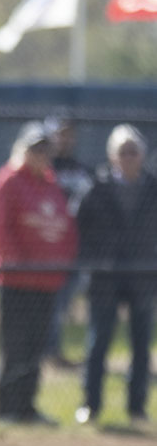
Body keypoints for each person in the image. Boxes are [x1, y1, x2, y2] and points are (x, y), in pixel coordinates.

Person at [0, 120, 76, 426]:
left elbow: (66, 229)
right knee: (15, 346)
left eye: (45, 148)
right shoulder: (8, 180)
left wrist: (59, 262)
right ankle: (8, 408)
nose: (41, 154)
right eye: (35, 149)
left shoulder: (50, 183)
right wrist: (20, 262)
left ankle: (27, 407)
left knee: (36, 348)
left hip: (47, 281)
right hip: (16, 281)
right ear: (22, 150)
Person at [74, 125, 157, 427]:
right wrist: (92, 260)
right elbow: (77, 224)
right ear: (111, 156)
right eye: (123, 152)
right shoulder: (96, 187)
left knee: (140, 346)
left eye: (133, 151)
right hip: (104, 277)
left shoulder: (152, 188)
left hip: (143, 275)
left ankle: (137, 408)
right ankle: (90, 405)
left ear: (142, 156)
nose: (128, 157)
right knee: (98, 343)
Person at [44, 115, 95, 370]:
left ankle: (53, 351)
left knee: (62, 303)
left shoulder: (81, 169)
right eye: (60, 134)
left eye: (69, 134)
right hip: (46, 249)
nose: (65, 139)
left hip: (74, 249)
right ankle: (46, 352)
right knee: (47, 303)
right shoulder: (42, 168)